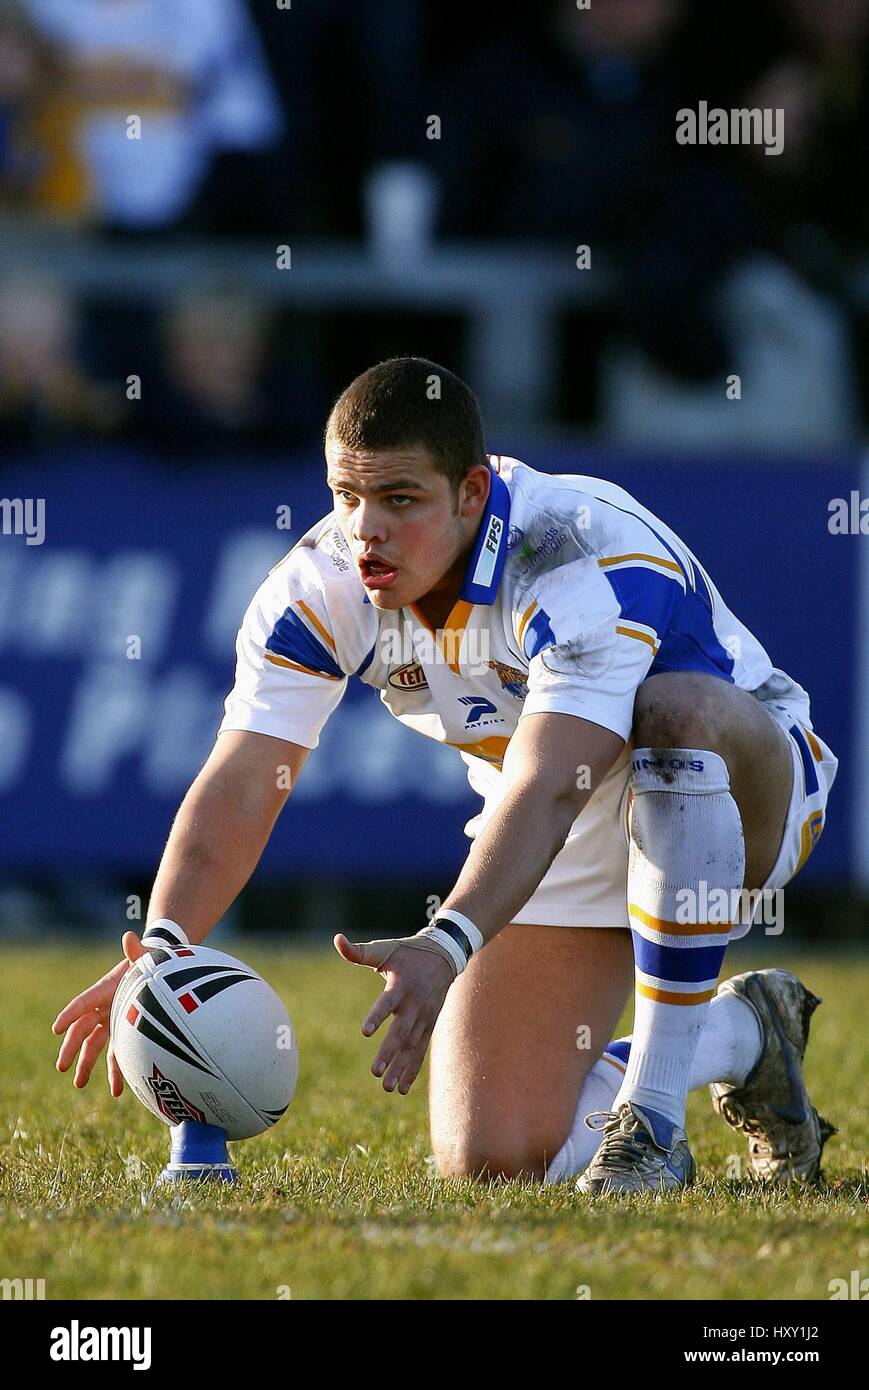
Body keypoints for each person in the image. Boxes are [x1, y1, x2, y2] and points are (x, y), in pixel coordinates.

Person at [52, 357, 838, 1195]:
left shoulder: (575, 555)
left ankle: (651, 1125)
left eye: (398, 499)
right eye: (344, 496)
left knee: (674, 711)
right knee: (493, 1160)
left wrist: (446, 941)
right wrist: (163, 947)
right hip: (552, 814)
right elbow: (246, 778)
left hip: (741, 786)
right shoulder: (320, 583)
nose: (365, 530)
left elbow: (551, 781)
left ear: (471, 493)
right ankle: (742, 1034)